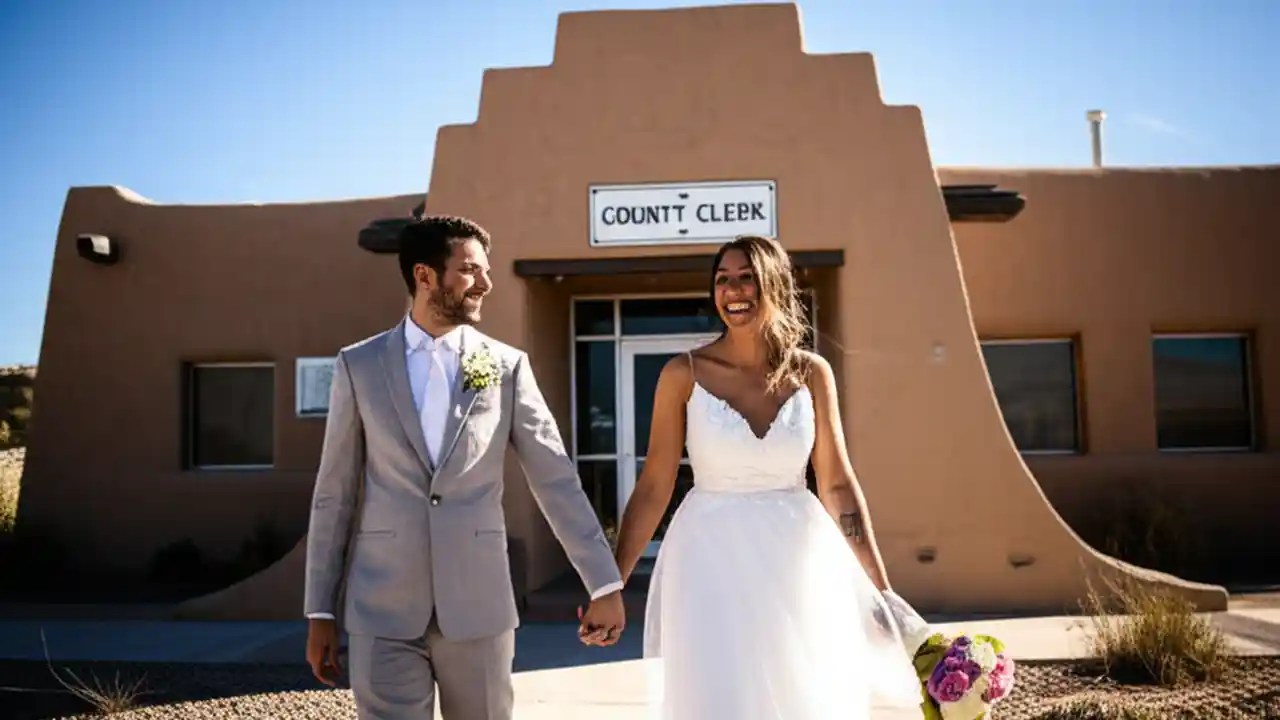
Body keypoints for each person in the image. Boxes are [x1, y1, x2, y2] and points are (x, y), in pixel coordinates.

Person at [303, 215, 625, 720]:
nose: (487, 283)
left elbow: (555, 478)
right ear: (425, 275)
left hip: (479, 607)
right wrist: (320, 610)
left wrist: (603, 583)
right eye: (471, 269)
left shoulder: (505, 365)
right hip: (382, 608)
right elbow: (335, 493)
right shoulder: (358, 365)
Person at [608, 235, 925, 719]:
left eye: (746, 278)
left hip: (799, 561)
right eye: (723, 280)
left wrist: (882, 594)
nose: (733, 291)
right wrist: (611, 586)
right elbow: (654, 487)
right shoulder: (682, 374)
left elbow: (837, 484)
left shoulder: (811, 374)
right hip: (707, 562)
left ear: (774, 283)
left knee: (806, 693)